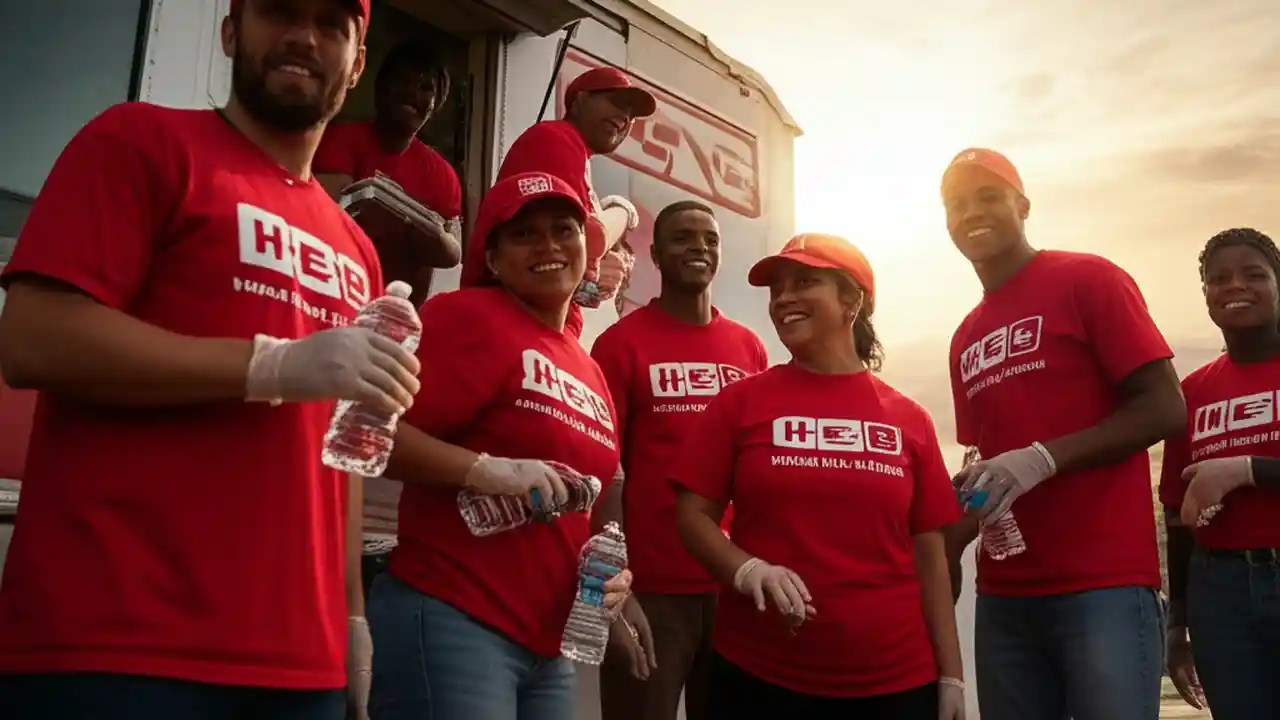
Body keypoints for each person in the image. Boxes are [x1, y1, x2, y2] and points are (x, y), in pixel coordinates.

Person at [0, 1, 420, 718]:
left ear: (355, 63)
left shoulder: (359, 252)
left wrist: (352, 620)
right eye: (277, 11)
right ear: (230, 31)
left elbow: (344, 452)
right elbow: (34, 337)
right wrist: (271, 366)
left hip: (300, 667)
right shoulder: (141, 140)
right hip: (118, 646)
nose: (301, 35)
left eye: (330, 23)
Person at [365, 171, 648, 720]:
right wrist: (483, 470)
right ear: (492, 260)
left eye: (563, 229)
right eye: (524, 235)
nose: (548, 246)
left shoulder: (585, 363)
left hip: (548, 645)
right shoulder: (466, 317)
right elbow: (373, 432)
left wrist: (612, 579)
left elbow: (590, 496)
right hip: (454, 613)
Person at [673, 233, 966, 718]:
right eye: (776, 288)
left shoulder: (910, 419)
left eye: (804, 282)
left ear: (852, 300)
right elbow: (692, 515)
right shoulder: (740, 403)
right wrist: (746, 570)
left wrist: (951, 674)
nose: (783, 298)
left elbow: (929, 555)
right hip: (758, 675)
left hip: (894, 683)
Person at [940, 148, 1186, 720]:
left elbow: (1165, 406)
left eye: (988, 196)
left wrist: (1042, 458)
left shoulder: (1087, 279)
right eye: (955, 205)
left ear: (1022, 205)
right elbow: (989, 457)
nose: (971, 213)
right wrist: (956, 522)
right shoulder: (965, 336)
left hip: (1102, 584)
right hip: (1005, 596)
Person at [591, 200, 769, 720]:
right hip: (651, 592)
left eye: (710, 239)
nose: (699, 248)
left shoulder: (748, 348)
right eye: (683, 238)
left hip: (733, 589)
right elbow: (606, 471)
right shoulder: (620, 344)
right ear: (656, 255)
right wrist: (618, 585)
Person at [1160, 227, 1280, 720]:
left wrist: (1248, 470)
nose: (1235, 287)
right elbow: (1175, 512)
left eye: (1254, 275)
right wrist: (1177, 623)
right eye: (1219, 279)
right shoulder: (1190, 392)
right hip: (1220, 593)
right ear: (1206, 296)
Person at [460, 66, 659, 338]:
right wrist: (623, 211)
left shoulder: (576, 154)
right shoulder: (556, 138)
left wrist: (596, 273)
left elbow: (577, 270)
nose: (624, 118)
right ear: (580, 101)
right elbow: (592, 239)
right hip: (510, 324)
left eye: (631, 115)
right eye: (617, 102)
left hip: (540, 331)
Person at [315, 39, 461, 308]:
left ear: (435, 104)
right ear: (380, 87)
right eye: (402, 81)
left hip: (399, 318)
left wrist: (425, 231)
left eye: (425, 88)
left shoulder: (442, 174)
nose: (412, 93)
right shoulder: (342, 140)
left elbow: (453, 252)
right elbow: (326, 217)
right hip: (335, 300)